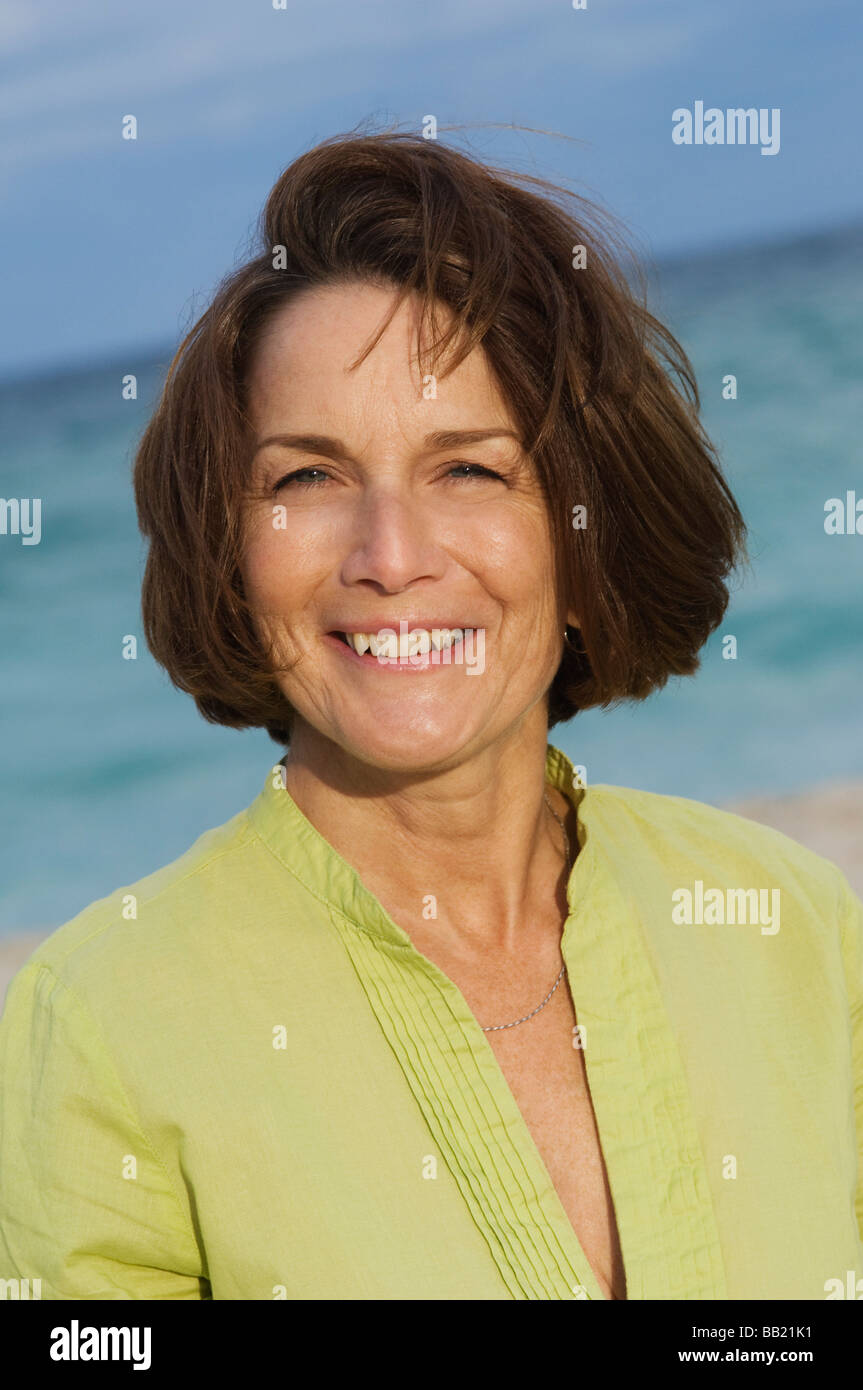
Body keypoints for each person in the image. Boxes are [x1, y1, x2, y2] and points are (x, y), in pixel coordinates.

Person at [1, 131, 860, 1302]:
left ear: (583, 524)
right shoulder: (103, 1021)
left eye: (470, 469)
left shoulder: (791, 924)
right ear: (229, 547)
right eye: (306, 477)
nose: (391, 557)